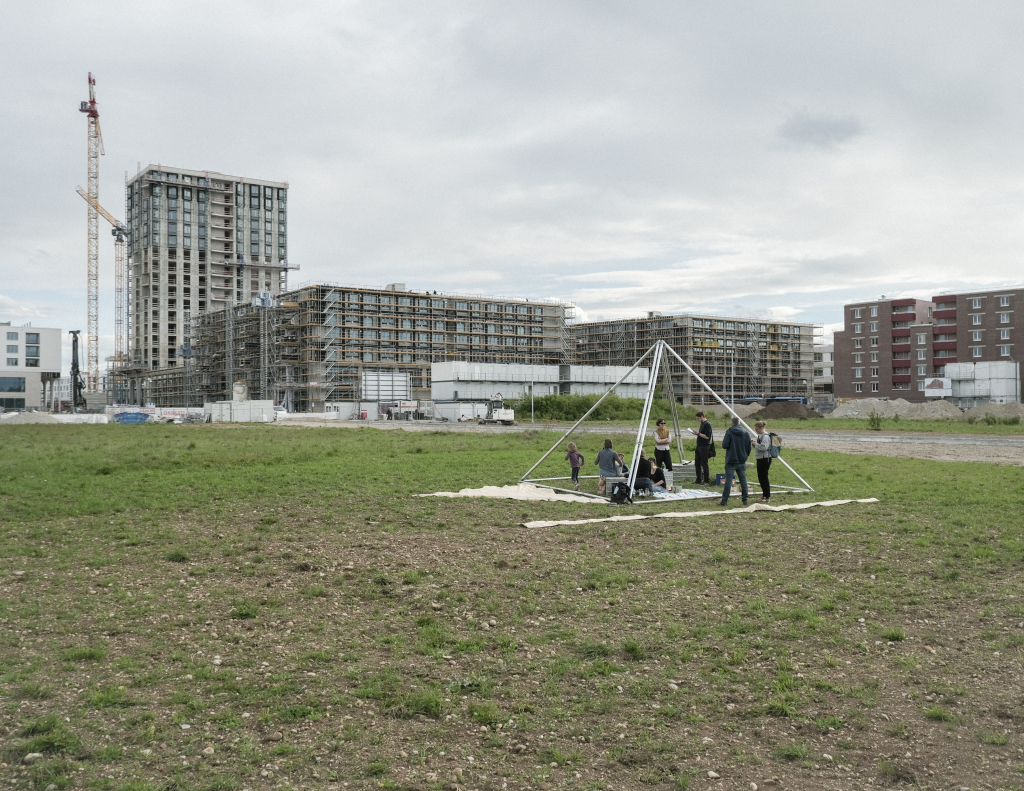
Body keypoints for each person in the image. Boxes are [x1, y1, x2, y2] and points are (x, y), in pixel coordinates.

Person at [719, 416, 750, 506]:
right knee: (743, 480)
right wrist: (745, 456)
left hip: (731, 460)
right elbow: (748, 447)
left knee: (728, 480)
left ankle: (724, 500)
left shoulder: (729, 432)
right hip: (741, 460)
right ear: (739, 423)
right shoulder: (745, 433)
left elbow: (725, 445)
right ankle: (745, 500)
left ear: (732, 423)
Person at [690, 411, 713, 485]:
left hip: (704, 446)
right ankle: (698, 479)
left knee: (704, 463)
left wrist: (698, 433)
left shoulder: (707, 424)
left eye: (698, 418)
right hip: (699, 445)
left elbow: (707, 436)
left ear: (702, 416)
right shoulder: (702, 424)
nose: (698, 420)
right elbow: (701, 434)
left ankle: (706, 480)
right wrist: (696, 433)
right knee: (697, 463)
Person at [752, 420, 772, 503]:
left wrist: (755, 444)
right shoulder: (761, 436)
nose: (755, 431)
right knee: (761, 478)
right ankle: (764, 495)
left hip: (764, 459)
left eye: (756, 429)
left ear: (761, 428)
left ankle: (766, 496)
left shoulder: (766, 437)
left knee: (764, 478)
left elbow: (764, 448)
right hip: (761, 458)